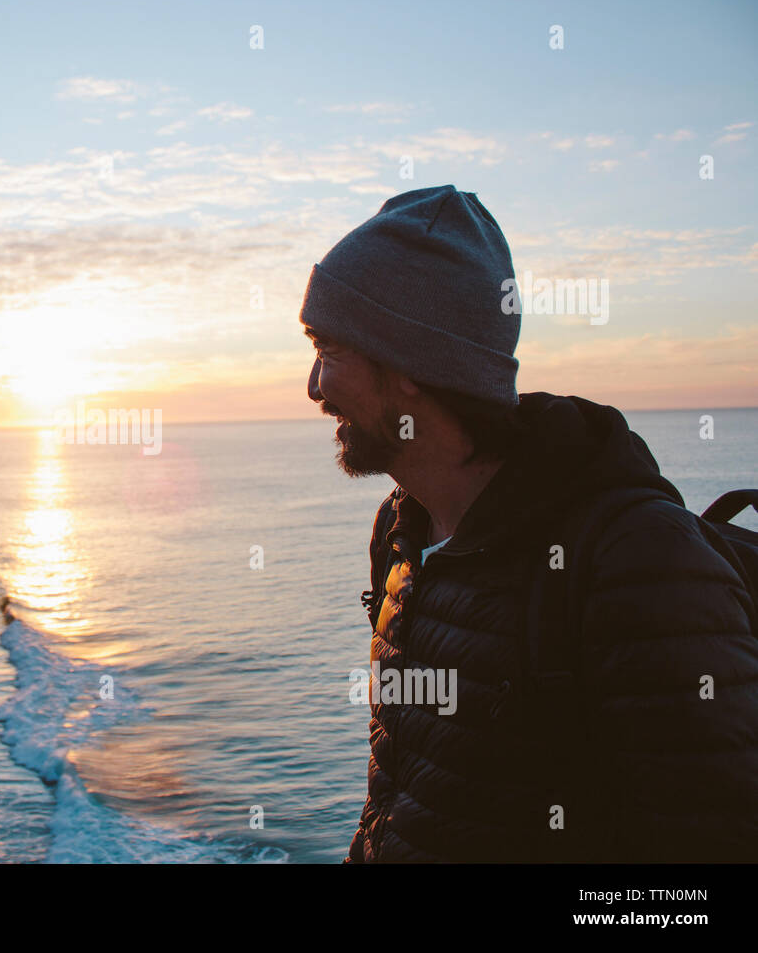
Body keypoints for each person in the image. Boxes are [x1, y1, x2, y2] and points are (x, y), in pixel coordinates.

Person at [299, 184, 758, 862]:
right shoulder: (401, 532)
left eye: (331, 350)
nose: (313, 386)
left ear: (411, 368)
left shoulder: (637, 562)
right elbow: (397, 792)